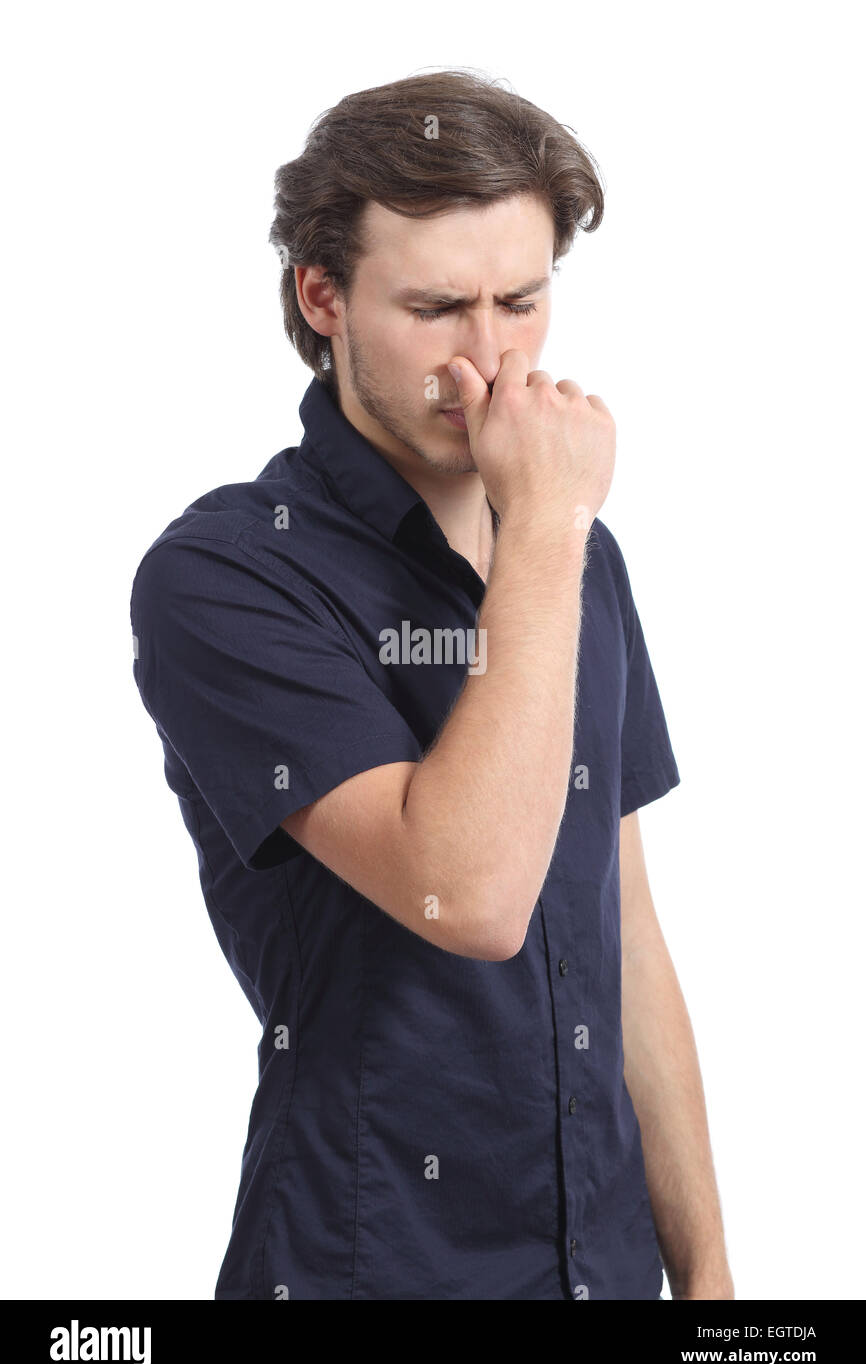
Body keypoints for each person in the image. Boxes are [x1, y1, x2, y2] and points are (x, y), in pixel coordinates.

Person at [129, 69, 733, 1301]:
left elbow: (623, 931)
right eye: (438, 307)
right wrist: (551, 528)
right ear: (323, 296)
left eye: (521, 299)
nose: (490, 356)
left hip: (603, 1274)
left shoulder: (573, 555)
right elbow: (469, 895)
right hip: (375, 1267)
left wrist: (712, 1285)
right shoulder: (225, 575)